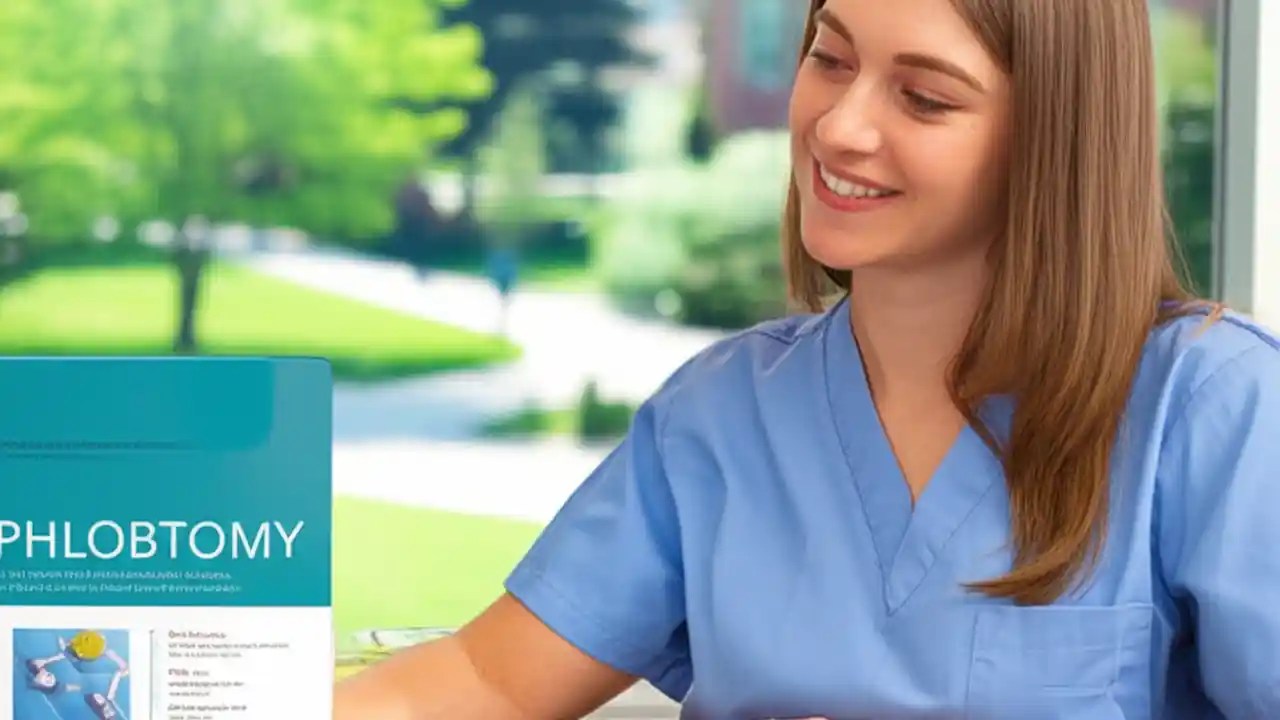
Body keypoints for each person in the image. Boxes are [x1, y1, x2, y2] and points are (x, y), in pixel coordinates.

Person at [334, 0, 1280, 717]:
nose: (838, 127)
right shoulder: (722, 415)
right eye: (830, 58)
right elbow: (486, 680)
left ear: (1053, 141)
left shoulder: (1215, 407)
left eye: (923, 97)